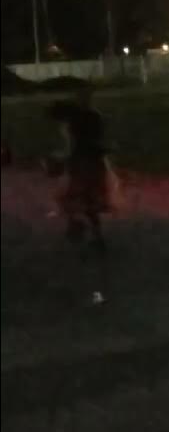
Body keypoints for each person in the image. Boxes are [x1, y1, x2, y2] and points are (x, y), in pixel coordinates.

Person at [45, 87, 117, 304]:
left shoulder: (77, 121)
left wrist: (62, 159)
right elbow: (95, 141)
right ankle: (92, 233)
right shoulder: (93, 117)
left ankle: (80, 229)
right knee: (87, 199)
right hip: (92, 162)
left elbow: (75, 146)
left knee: (77, 197)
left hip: (82, 163)